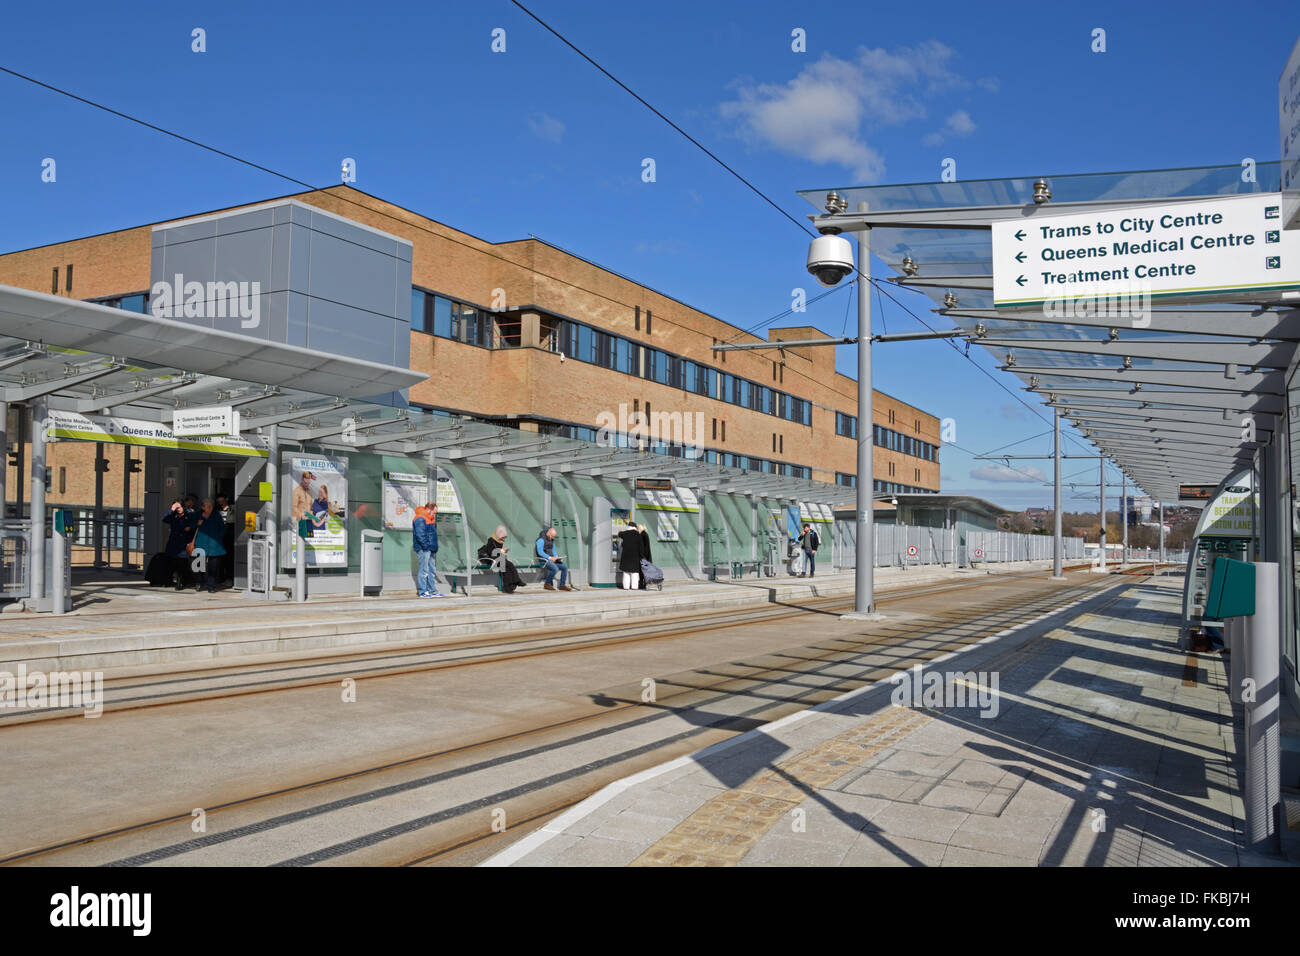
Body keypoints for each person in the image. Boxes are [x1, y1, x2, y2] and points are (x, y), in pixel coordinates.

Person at [190, 499, 227, 593]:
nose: (210, 507)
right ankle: (199, 582)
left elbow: (222, 527)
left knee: (213, 567)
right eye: (207, 506)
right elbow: (190, 526)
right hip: (200, 543)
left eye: (211, 506)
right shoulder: (197, 515)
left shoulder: (216, 515)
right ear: (203, 507)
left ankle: (210, 586)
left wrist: (219, 537)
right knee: (198, 565)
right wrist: (197, 523)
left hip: (214, 544)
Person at [478, 525, 525, 594]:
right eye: (503, 537)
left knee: (507, 568)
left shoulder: (500, 541)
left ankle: (510, 587)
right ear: (498, 534)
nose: (504, 538)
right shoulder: (491, 540)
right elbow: (490, 552)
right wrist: (501, 551)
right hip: (491, 560)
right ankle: (516, 581)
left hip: (500, 559)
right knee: (508, 565)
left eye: (504, 537)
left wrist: (502, 552)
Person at [161, 498, 195, 591]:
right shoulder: (173, 515)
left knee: (182, 563)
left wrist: (190, 527)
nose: (178, 509)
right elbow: (164, 519)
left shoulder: (190, 514)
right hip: (173, 542)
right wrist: (171, 509)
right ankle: (170, 580)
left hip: (184, 542)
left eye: (179, 507)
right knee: (172, 561)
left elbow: (195, 524)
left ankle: (181, 581)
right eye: (176, 508)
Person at [412, 503, 444, 597]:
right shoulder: (420, 518)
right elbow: (420, 535)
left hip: (430, 548)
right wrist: (426, 547)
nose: (435, 514)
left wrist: (433, 547)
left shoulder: (430, 518)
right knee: (424, 570)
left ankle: (432, 590)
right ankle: (423, 591)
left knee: (431, 570)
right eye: (434, 512)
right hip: (424, 549)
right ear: (429, 510)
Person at [536, 527, 571, 591]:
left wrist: (557, 558)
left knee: (564, 567)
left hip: (552, 559)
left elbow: (553, 550)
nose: (553, 538)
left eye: (554, 536)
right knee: (555, 568)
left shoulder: (551, 540)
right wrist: (550, 558)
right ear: (549, 533)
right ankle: (547, 584)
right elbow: (540, 552)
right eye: (552, 536)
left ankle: (562, 585)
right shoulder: (540, 540)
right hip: (543, 560)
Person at [617, 519, 643, 590]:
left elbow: (620, 534)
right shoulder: (638, 534)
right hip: (635, 556)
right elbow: (641, 547)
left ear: (629, 527)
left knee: (626, 572)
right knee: (634, 573)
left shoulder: (625, 533)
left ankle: (626, 587)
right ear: (635, 527)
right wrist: (641, 556)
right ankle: (634, 587)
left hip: (626, 556)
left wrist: (619, 531)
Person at [215, 493, 235, 584]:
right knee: (220, 558)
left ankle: (230, 577)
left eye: (222, 501)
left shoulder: (232, 508)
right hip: (219, 536)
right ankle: (220, 577)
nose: (221, 503)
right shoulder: (217, 510)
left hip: (229, 536)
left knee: (229, 557)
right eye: (219, 502)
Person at [637, 523, 653, 590]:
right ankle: (645, 584)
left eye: (637, 528)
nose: (637, 530)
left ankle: (643, 584)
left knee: (642, 571)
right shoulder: (645, 534)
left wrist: (642, 557)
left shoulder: (642, 535)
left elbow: (642, 548)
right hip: (647, 557)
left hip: (644, 557)